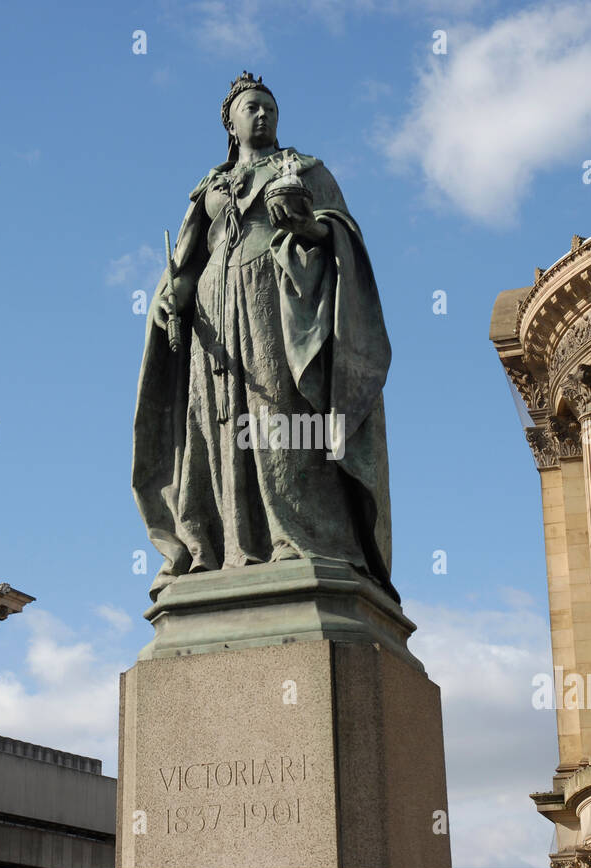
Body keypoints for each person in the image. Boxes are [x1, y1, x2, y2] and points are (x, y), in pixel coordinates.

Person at [132, 72, 397, 603]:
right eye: (251, 107)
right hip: (214, 316)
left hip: (277, 301)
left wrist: (307, 225)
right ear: (230, 123)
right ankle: (221, 547)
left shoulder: (304, 170)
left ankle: (298, 540)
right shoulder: (208, 187)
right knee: (215, 428)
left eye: (269, 108)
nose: (262, 115)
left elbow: (339, 233)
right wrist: (172, 297)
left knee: (282, 419)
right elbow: (189, 262)